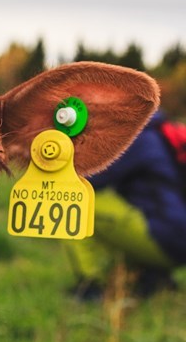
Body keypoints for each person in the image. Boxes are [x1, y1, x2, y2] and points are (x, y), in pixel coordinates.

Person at [67, 111, 186, 298]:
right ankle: (152, 277)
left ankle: (90, 287)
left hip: (168, 239)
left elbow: (91, 179)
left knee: (75, 203)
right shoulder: (157, 134)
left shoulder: (137, 140)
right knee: (124, 206)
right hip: (175, 236)